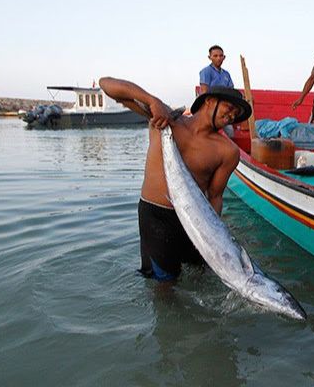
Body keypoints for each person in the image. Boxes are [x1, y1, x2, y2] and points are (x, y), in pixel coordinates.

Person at [98, 77, 252, 281]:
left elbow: (215, 196)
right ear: (209, 101)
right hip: (156, 217)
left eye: (237, 114)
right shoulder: (164, 119)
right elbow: (106, 85)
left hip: (197, 221)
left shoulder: (228, 151)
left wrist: (213, 238)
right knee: (164, 284)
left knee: (202, 278)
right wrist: (152, 101)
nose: (232, 115)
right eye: (230, 107)